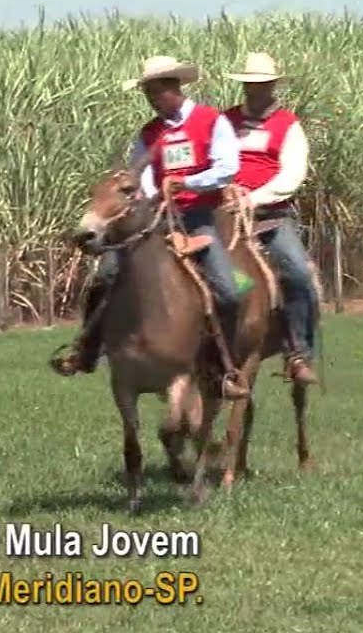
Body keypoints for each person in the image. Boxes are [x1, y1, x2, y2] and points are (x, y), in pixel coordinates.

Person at [50, 55, 249, 400]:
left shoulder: (210, 121)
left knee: (227, 291)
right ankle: (86, 350)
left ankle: (222, 369)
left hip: (200, 216)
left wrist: (186, 182)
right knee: (106, 276)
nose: (152, 100)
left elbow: (227, 168)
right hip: (155, 219)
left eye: (156, 93)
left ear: (174, 88)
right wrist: (150, 194)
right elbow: (139, 180)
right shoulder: (148, 134)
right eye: (148, 95)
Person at [220, 52, 318, 384]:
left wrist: (252, 198)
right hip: (224, 213)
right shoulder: (225, 122)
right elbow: (211, 161)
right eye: (249, 85)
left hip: (270, 218)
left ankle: (298, 353)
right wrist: (224, 190)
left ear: (273, 85)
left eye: (261, 85)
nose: (254, 90)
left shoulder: (288, 125)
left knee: (298, 272)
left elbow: (292, 175)